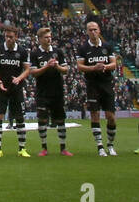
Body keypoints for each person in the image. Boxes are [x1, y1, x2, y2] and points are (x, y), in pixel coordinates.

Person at [76, 19, 119, 156]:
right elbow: (80, 66)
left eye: (95, 29)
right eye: (90, 30)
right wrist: (94, 67)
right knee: (95, 115)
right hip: (92, 85)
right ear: (87, 32)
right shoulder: (83, 48)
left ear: (99, 30)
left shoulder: (108, 46)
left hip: (107, 84)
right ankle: (100, 146)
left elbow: (114, 64)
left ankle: (110, 145)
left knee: (110, 116)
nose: (93, 32)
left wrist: (105, 67)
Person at [29, 26, 71, 156]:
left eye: (50, 37)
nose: (49, 39)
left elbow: (66, 70)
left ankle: (63, 148)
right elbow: (33, 73)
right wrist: (47, 66)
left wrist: (57, 65)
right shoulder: (35, 53)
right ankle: (44, 148)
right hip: (42, 92)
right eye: (46, 37)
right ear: (40, 39)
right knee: (42, 119)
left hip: (57, 91)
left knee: (60, 119)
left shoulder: (58, 52)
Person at [0, 25, 30, 158]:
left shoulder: (23, 51)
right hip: (1, 88)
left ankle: (22, 148)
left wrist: (19, 79)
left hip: (16, 89)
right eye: (6, 36)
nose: (8, 39)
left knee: (19, 117)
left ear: (16, 37)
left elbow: (27, 69)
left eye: (11, 37)